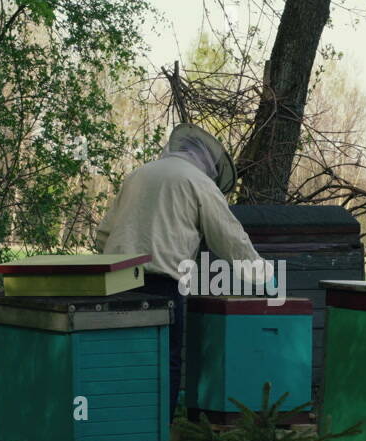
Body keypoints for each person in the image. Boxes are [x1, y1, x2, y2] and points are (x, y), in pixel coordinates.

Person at [95, 123, 269, 419]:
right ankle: (158, 432)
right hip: (161, 283)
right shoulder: (198, 183)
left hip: (116, 278)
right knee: (164, 358)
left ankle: (117, 428)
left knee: (121, 355)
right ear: (206, 161)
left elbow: (103, 235)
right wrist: (262, 274)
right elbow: (228, 237)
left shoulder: (138, 174)